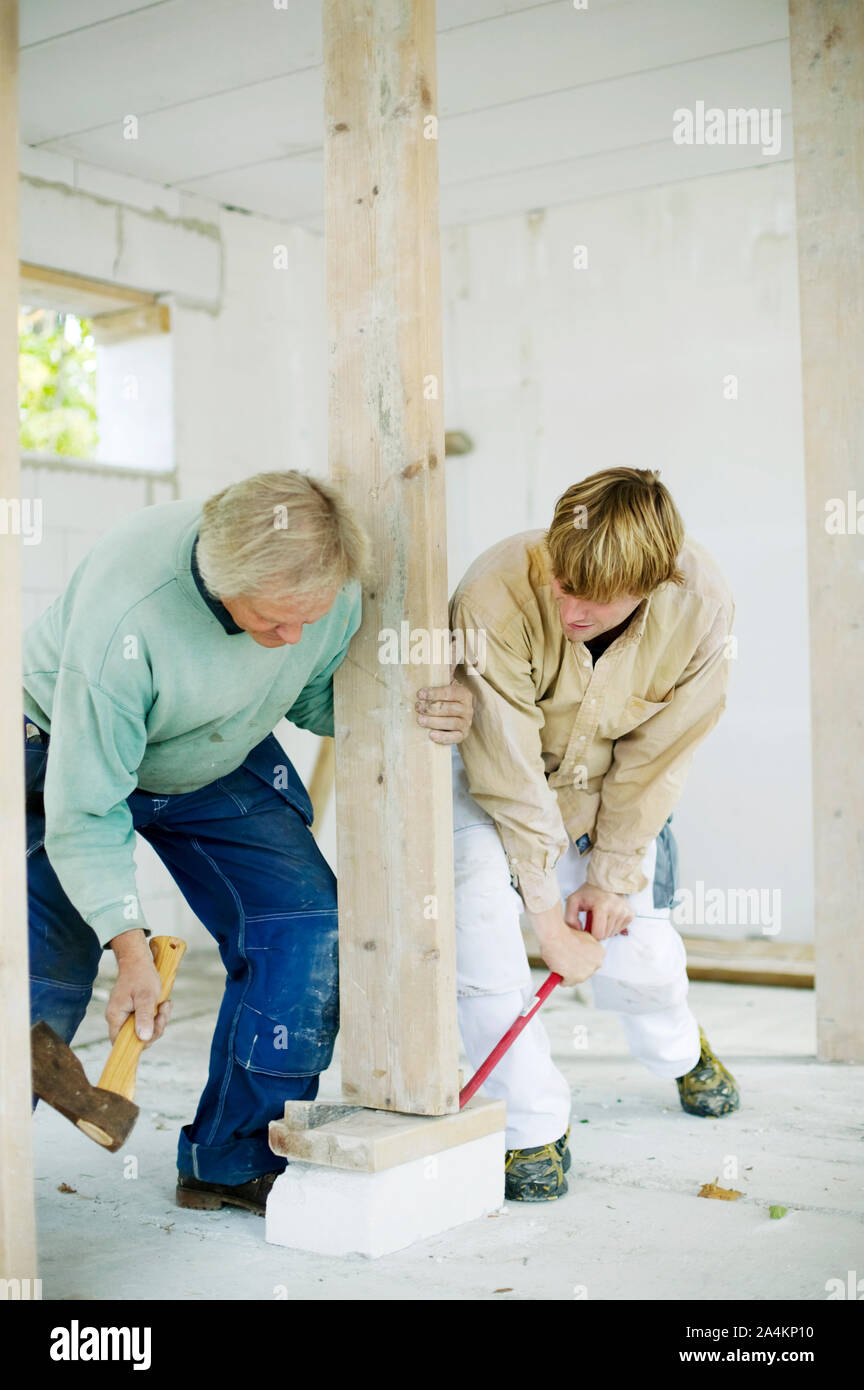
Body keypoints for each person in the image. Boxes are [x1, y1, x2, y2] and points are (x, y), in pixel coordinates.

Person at [24, 470, 472, 1215]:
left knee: (308, 928)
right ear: (224, 580)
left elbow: (315, 693)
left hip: (208, 754)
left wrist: (427, 708)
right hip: (60, 747)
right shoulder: (127, 618)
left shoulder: (318, 596)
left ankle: (230, 1159)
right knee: (50, 974)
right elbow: (85, 807)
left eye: (311, 617)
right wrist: (127, 947)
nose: (294, 636)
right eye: (274, 621)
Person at [449, 467, 740, 1202]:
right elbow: (506, 769)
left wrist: (610, 876)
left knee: (639, 957)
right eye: (562, 582)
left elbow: (659, 758)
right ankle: (530, 1129)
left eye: (596, 599)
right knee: (482, 939)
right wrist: (547, 919)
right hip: (490, 783)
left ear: (656, 580)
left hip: (603, 793)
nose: (570, 607)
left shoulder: (701, 607)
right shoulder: (495, 593)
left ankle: (679, 1049)